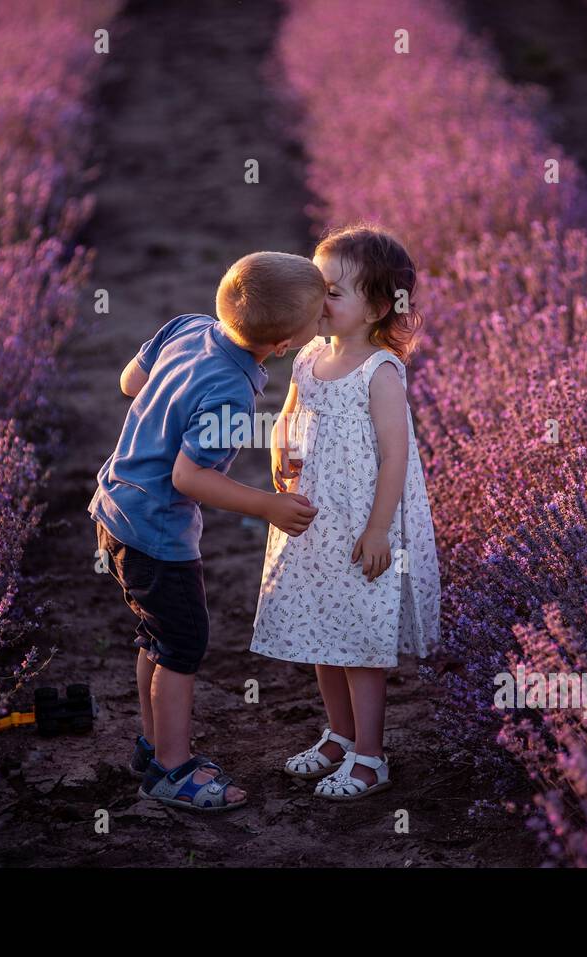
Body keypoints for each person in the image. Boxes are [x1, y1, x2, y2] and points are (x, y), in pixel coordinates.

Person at [89, 251, 327, 811]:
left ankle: (152, 747)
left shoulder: (190, 325)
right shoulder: (235, 391)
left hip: (116, 507)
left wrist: (169, 397)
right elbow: (189, 477)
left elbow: (130, 382)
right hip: (157, 533)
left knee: (156, 637)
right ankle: (172, 770)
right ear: (286, 345)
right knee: (184, 646)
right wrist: (267, 505)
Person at [250, 224, 441, 800]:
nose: (318, 301)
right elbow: (287, 415)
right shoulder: (310, 353)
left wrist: (380, 528)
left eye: (333, 291)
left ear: (378, 307)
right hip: (313, 519)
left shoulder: (379, 371)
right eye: (316, 287)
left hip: (362, 523)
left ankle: (371, 755)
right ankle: (339, 734)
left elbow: (395, 457)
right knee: (320, 631)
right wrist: (281, 457)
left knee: (358, 638)